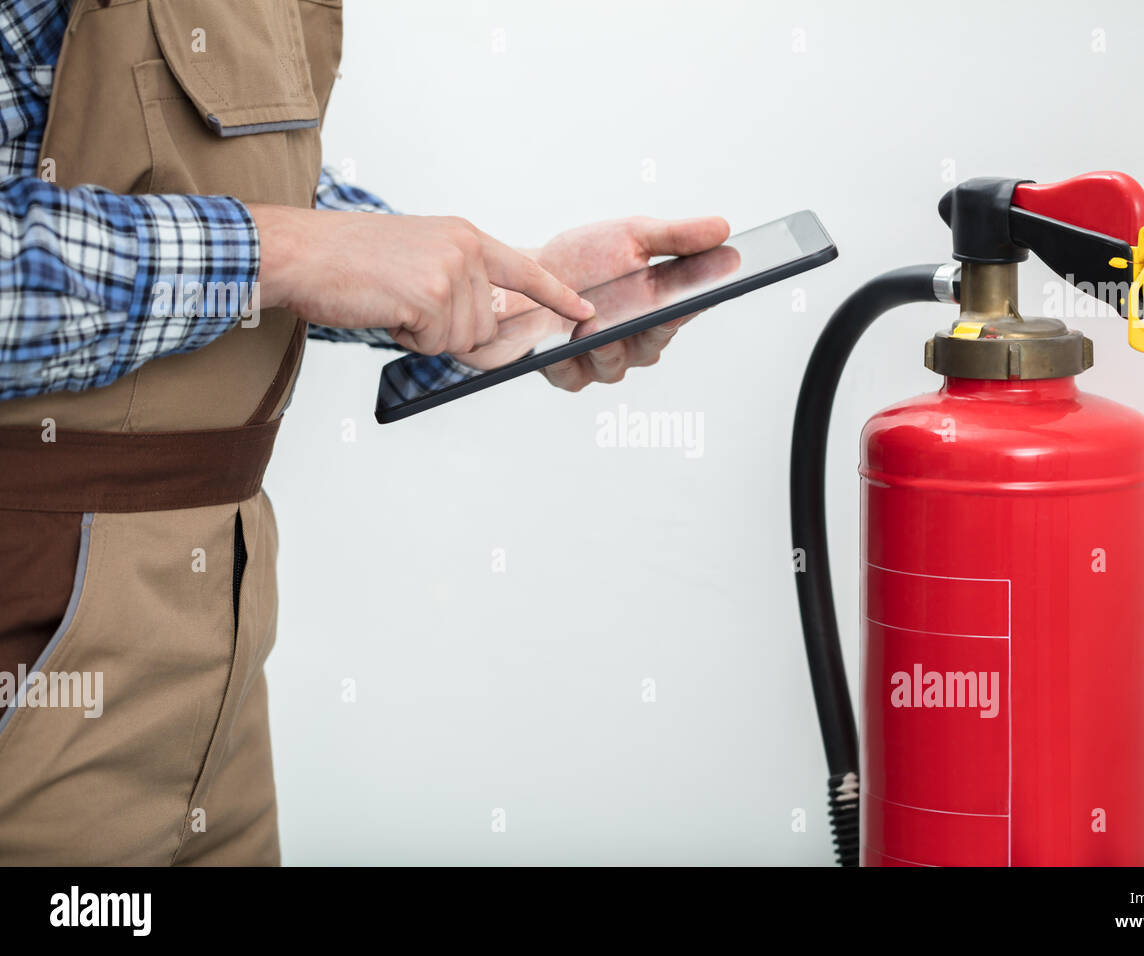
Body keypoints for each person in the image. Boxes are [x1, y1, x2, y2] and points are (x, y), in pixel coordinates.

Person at [0, 0, 728, 864]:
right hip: (40, 635)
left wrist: (502, 299)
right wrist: (293, 254)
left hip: (218, 645)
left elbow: (238, 187)